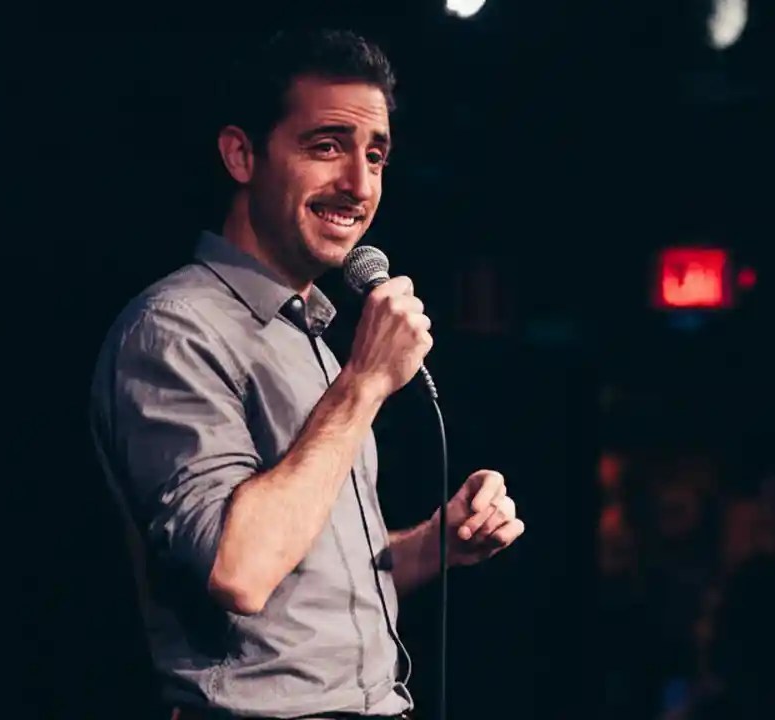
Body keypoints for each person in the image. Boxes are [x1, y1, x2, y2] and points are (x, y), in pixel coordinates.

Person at [88, 28, 525, 720]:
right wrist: (365, 384)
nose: (358, 184)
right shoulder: (174, 330)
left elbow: (312, 581)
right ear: (241, 155)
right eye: (326, 146)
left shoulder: (314, 336)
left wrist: (437, 542)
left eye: (374, 155)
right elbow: (239, 570)